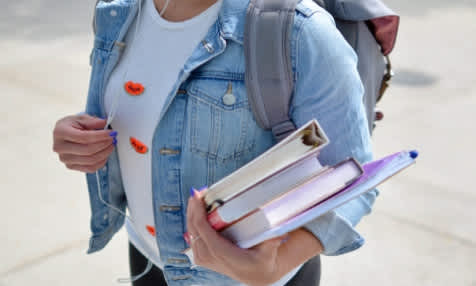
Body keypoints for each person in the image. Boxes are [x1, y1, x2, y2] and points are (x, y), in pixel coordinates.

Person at [52, 0, 376, 285]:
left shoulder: (300, 31)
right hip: (146, 258)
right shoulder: (116, 11)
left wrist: (277, 265)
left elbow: (352, 176)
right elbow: (145, 107)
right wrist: (81, 137)